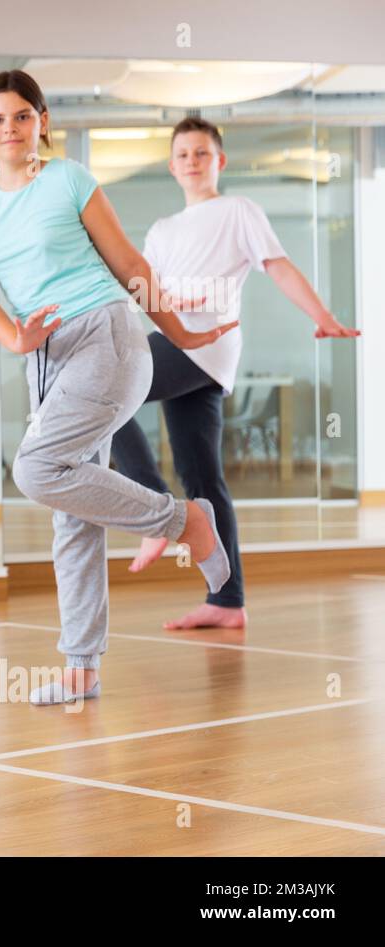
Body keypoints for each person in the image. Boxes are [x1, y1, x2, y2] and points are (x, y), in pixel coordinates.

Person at [0, 70, 234, 705]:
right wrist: (14, 338)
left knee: (37, 468)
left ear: (42, 123)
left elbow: (130, 265)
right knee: (71, 511)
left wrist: (182, 339)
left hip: (105, 337)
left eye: (22, 116)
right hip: (44, 357)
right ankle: (81, 667)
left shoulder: (69, 179)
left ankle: (183, 519)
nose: (9, 129)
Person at [110, 117, 360, 630]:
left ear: (219, 161)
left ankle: (156, 511)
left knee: (103, 395)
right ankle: (227, 601)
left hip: (209, 345)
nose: (192, 162)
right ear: (172, 165)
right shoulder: (162, 230)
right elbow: (143, 295)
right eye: (182, 154)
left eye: (202, 153)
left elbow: (278, 265)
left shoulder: (238, 211)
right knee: (203, 477)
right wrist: (165, 301)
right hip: (180, 343)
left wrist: (323, 318)